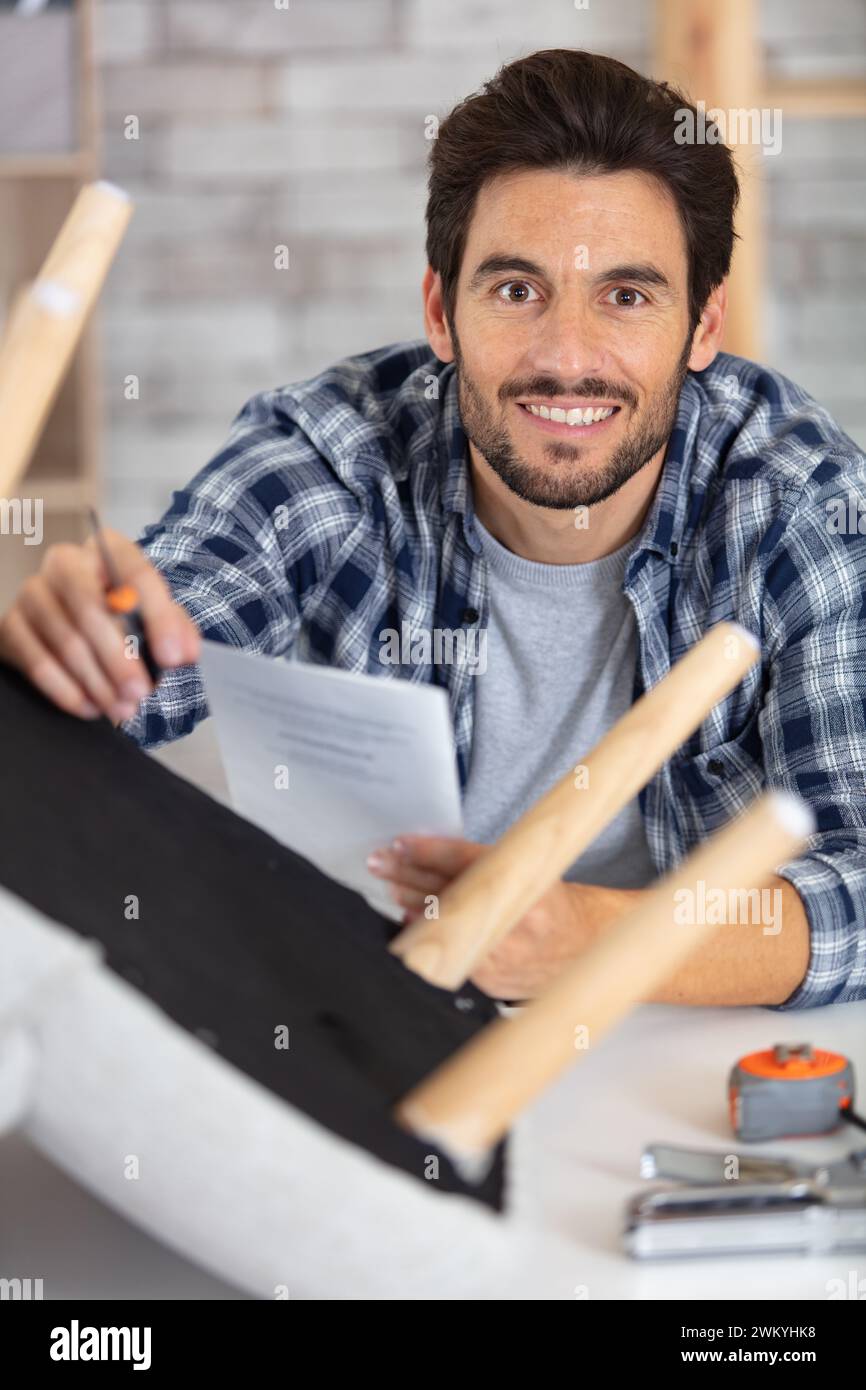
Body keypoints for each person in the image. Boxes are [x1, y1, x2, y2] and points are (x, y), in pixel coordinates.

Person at [3, 50, 865, 1009]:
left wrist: (587, 937)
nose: (567, 358)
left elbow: (861, 885)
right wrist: (76, 653)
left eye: (626, 296)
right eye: (514, 290)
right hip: (365, 1008)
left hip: (676, 1035)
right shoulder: (333, 449)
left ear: (703, 328)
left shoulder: (800, 503)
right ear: (440, 312)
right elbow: (149, 644)